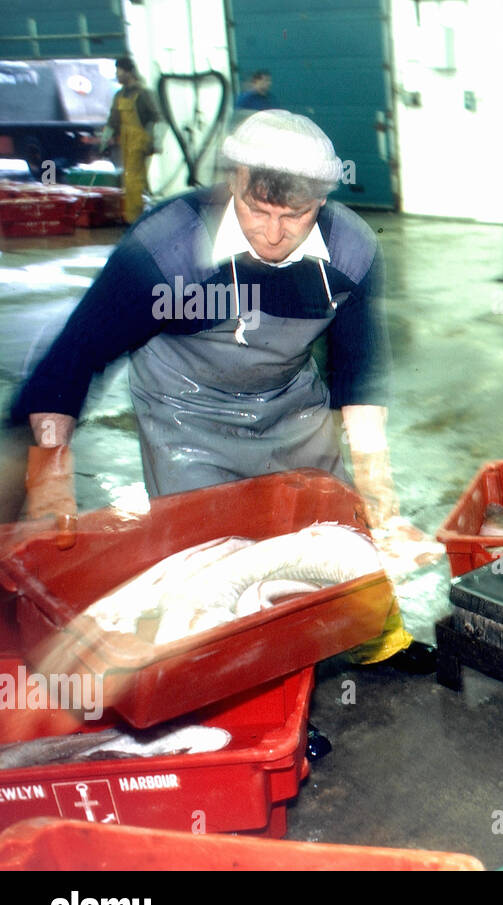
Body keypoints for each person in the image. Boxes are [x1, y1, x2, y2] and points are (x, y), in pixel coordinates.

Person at [11, 109, 436, 670]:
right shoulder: (166, 248)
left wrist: (379, 495)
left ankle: (371, 641)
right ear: (234, 182)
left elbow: (356, 376)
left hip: (289, 406)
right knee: (211, 560)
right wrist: (49, 477)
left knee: (340, 530)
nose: (276, 233)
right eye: (259, 210)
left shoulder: (352, 250)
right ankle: (247, 680)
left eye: (298, 214)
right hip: (188, 415)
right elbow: (75, 356)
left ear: (324, 201)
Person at [104, 56, 160, 224]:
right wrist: (104, 140)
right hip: (126, 142)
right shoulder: (119, 95)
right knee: (129, 180)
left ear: (129, 72)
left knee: (133, 180)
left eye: (119, 71)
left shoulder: (143, 93)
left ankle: (134, 219)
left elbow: (157, 118)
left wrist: (154, 141)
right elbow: (113, 120)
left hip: (139, 140)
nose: (117, 75)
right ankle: (134, 214)